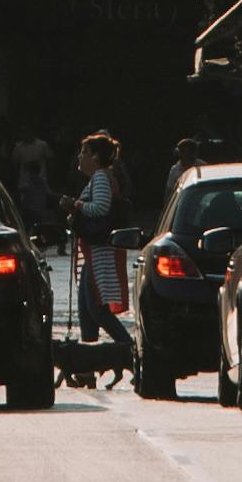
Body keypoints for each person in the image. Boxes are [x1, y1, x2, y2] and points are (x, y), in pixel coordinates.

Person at [68, 128, 133, 365]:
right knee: (86, 309)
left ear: (94, 157)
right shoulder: (101, 177)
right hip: (93, 251)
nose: (80, 157)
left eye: (84, 152)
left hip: (99, 252)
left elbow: (101, 208)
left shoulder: (101, 178)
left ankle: (129, 351)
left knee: (96, 309)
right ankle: (88, 366)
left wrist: (76, 205)